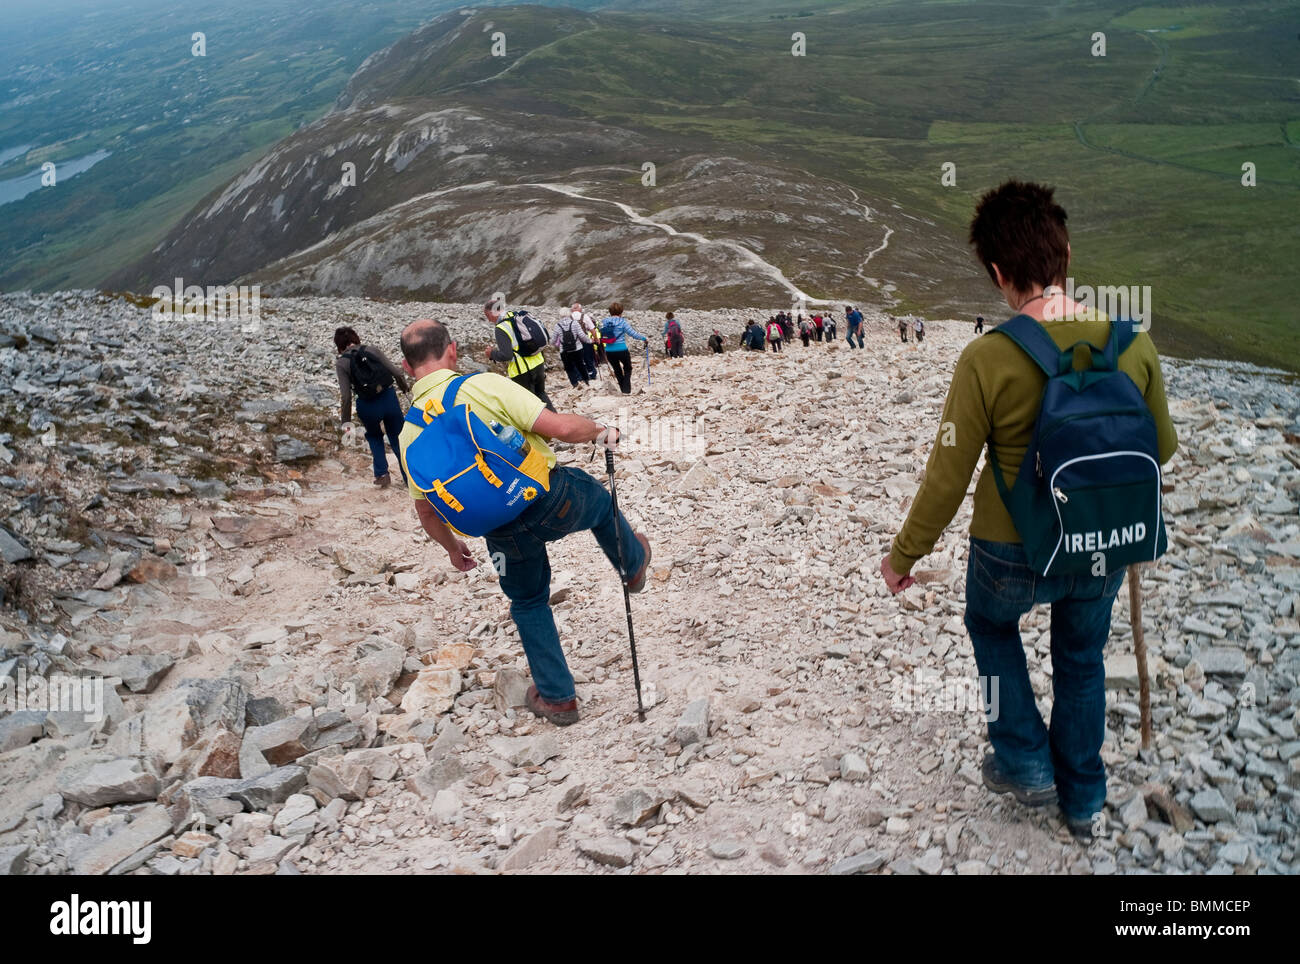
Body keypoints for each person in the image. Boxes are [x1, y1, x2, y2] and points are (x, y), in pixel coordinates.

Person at [877, 179, 1178, 842]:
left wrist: (903, 557)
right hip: (1102, 540)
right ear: (1066, 251)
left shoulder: (987, 357)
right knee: (1081, 658)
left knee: (990, 629)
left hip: (1010, 549)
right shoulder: (1133, 343)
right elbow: (1164, 446)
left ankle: (1024, 759)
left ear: (996, 271)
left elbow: (948, 478)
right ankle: (1084, 800)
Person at [397, 319, 651, 727]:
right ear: (453, 350)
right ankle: (632, 564)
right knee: (600, 504)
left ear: (407, 368)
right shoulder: (480, 386)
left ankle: (558, 698)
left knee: (529, 601)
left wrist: (452, 547)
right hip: (551, 499)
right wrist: (602, 431)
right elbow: (564, 428)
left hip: (500, 531)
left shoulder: (408, 434)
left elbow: (426, 510)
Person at [334, 326, 410, 487]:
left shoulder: (342, 363)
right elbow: (397, 372)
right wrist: (404, 388)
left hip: (367, 405)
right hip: (388, 398)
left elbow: (346, 397)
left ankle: (382, 474)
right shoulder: (372, 350)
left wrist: (346, 422)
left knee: (375, 437)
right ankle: (409, 476)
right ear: (356, 338)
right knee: (398, 437)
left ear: (339, 346)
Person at [484, 301, 554, 412]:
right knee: (541, 394)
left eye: (488, 316)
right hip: (538, 363)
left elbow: (506, 355)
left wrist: (491, 353)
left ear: (493, 312)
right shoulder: (517, 316)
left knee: (531, 405)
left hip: (522, 371)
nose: (488, 320)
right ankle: (556, 422)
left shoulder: (501, 328)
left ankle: (544, 427)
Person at [600, 302, 648, 394]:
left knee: (617, 370)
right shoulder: (622, 322)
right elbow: (632, 334)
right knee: (628, 368)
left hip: (609, 351)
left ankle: (623, 389)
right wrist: (644, 338)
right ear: (621, 311)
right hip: (621, 349)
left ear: (610, 311)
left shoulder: (605, 322)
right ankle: (626, 390)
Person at [552, 305, 593, 389]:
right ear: (569, 314)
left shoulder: (557, 325)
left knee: (569, 368)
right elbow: (582, 336)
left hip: (565, 351)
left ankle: (575, 384)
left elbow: (553, 340)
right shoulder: (575, 323)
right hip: (577, 348)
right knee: (581, 365)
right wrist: (590, 341)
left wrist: (554, 345)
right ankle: (586, 382)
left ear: (560, 314)